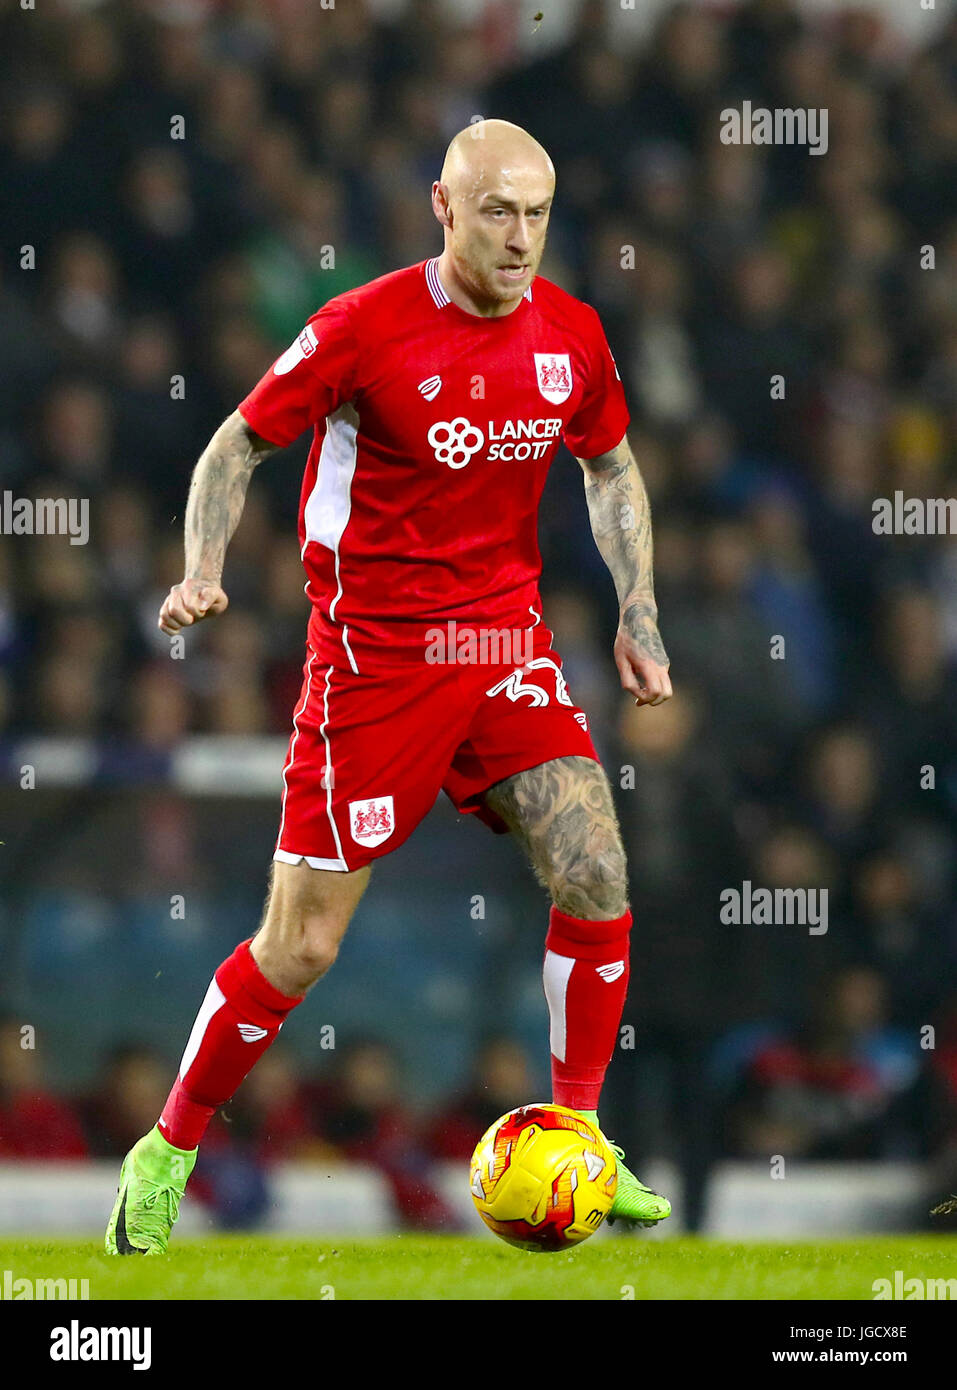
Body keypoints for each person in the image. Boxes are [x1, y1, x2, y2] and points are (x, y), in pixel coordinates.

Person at [105, 119, 673, 1255]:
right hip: (376, 661)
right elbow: (236, 445)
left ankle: (577, 1133)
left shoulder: (572, 334)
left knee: (597, 867)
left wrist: (637, 612)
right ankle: (168, 1143)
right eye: (500, 212)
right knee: (301, 947)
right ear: (444, 207)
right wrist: (202, 568)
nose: (522, 239)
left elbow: (610, 465)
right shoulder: (362, 328)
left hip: (504, 644)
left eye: (540, 214)